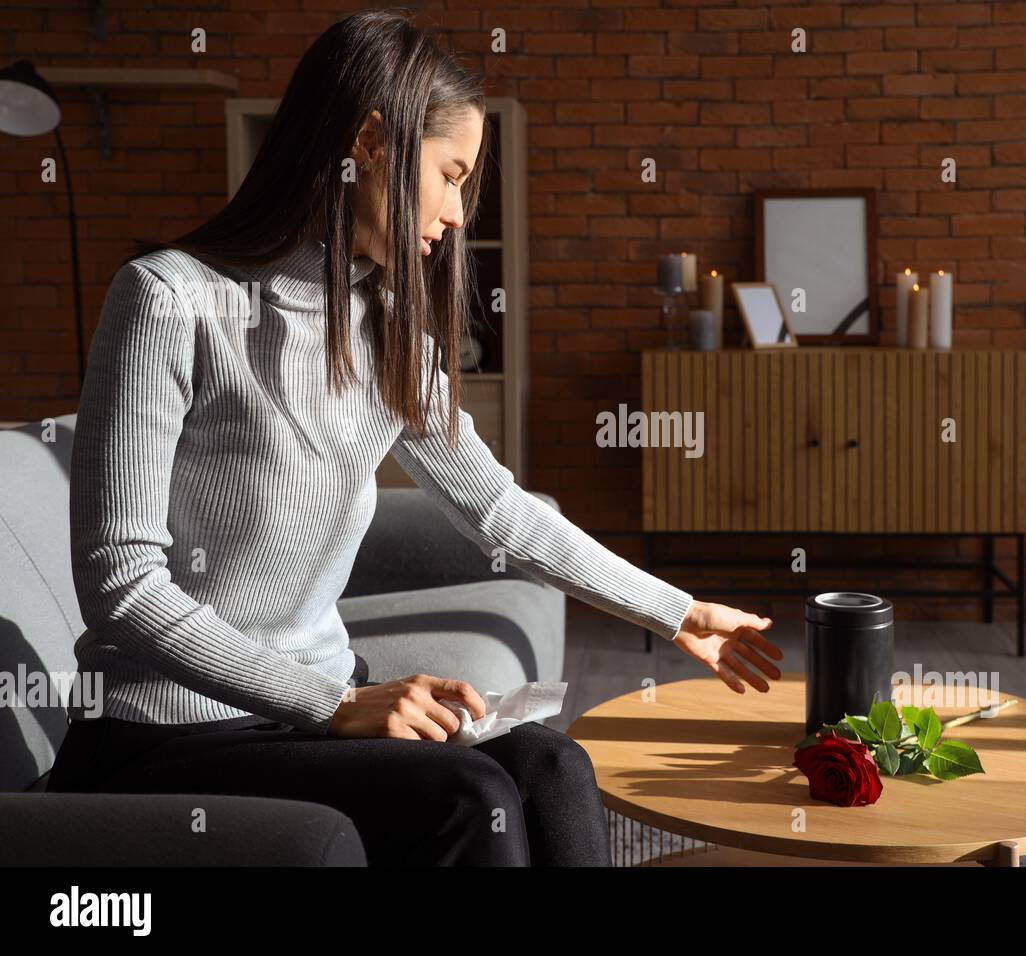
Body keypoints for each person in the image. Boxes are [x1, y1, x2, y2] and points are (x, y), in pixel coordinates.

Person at [45, 10, 782, 866]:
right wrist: (330, 705)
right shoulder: (167, 300)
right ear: (372, 142)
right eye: (450, 175)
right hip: (163, 730)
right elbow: (122, 586)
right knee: (469, 799)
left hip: (307, 712)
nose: (459, 214)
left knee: (550, 766)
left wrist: (677, 609)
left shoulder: (387, 329)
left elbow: (500, 511)